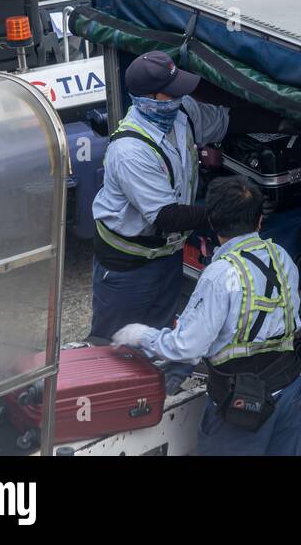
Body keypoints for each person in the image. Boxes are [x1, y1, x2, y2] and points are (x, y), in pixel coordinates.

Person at [112, 176, 301, 457]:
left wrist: (140, 335)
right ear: (260, 221)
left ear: (212, 223)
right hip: (289, 388)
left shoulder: (221, 274)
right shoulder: (281, 256)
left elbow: (187, 345)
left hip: (243, 403)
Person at [89, 50, 230, 340]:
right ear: (147, 99)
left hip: (167, 257)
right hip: (127, 266)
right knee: (115, 346)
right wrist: (228, 212)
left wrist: (289, 122)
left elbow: (227, 121)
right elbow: (167, 216)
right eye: (171, 93)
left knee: (157, 338)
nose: (179, 98)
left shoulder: (182, 115)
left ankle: (155, 384)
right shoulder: (130, 151)